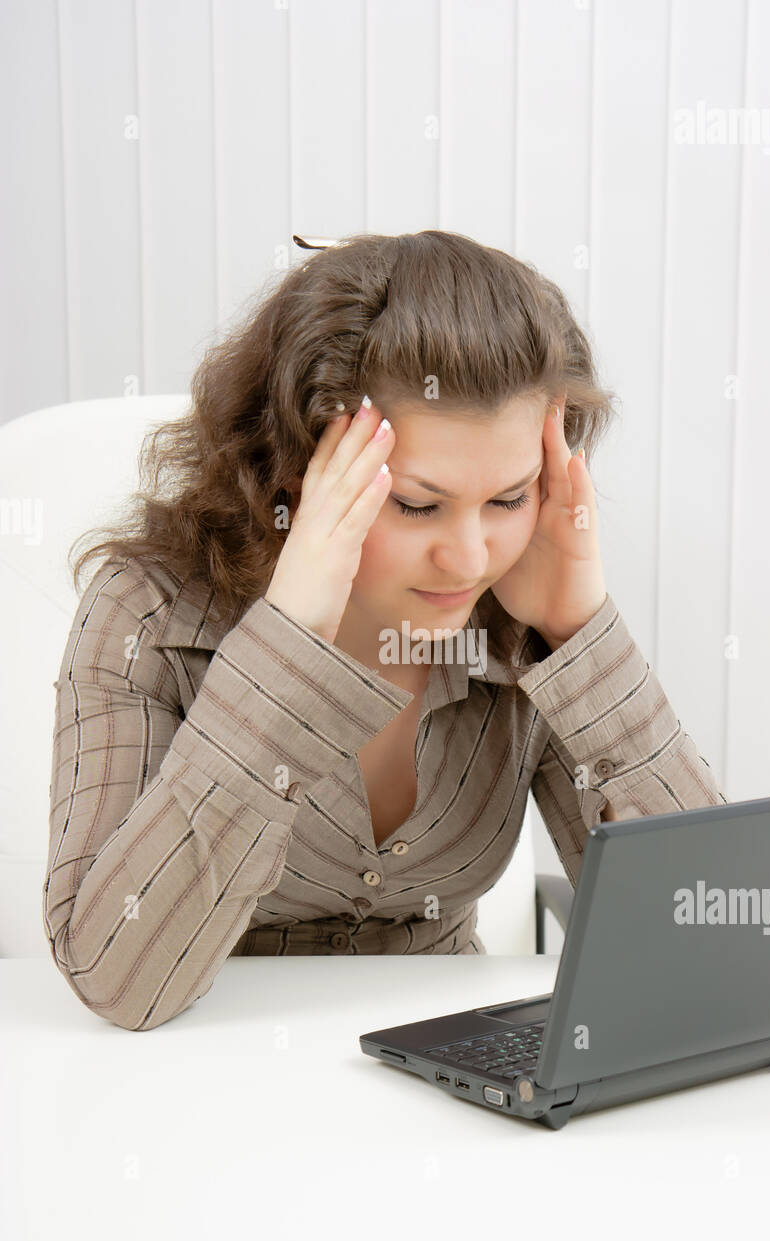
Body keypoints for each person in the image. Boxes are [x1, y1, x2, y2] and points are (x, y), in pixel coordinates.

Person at [43, 229, 725, 1031]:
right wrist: (287, 646)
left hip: (449, 1088)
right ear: (296, 472)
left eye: (509, 499)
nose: (470, 556)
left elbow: (706, 956)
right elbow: (119, 980)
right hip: (206, 1084)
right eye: (418, 504)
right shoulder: (147, 616)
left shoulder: (521, 619)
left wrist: (585, 638)